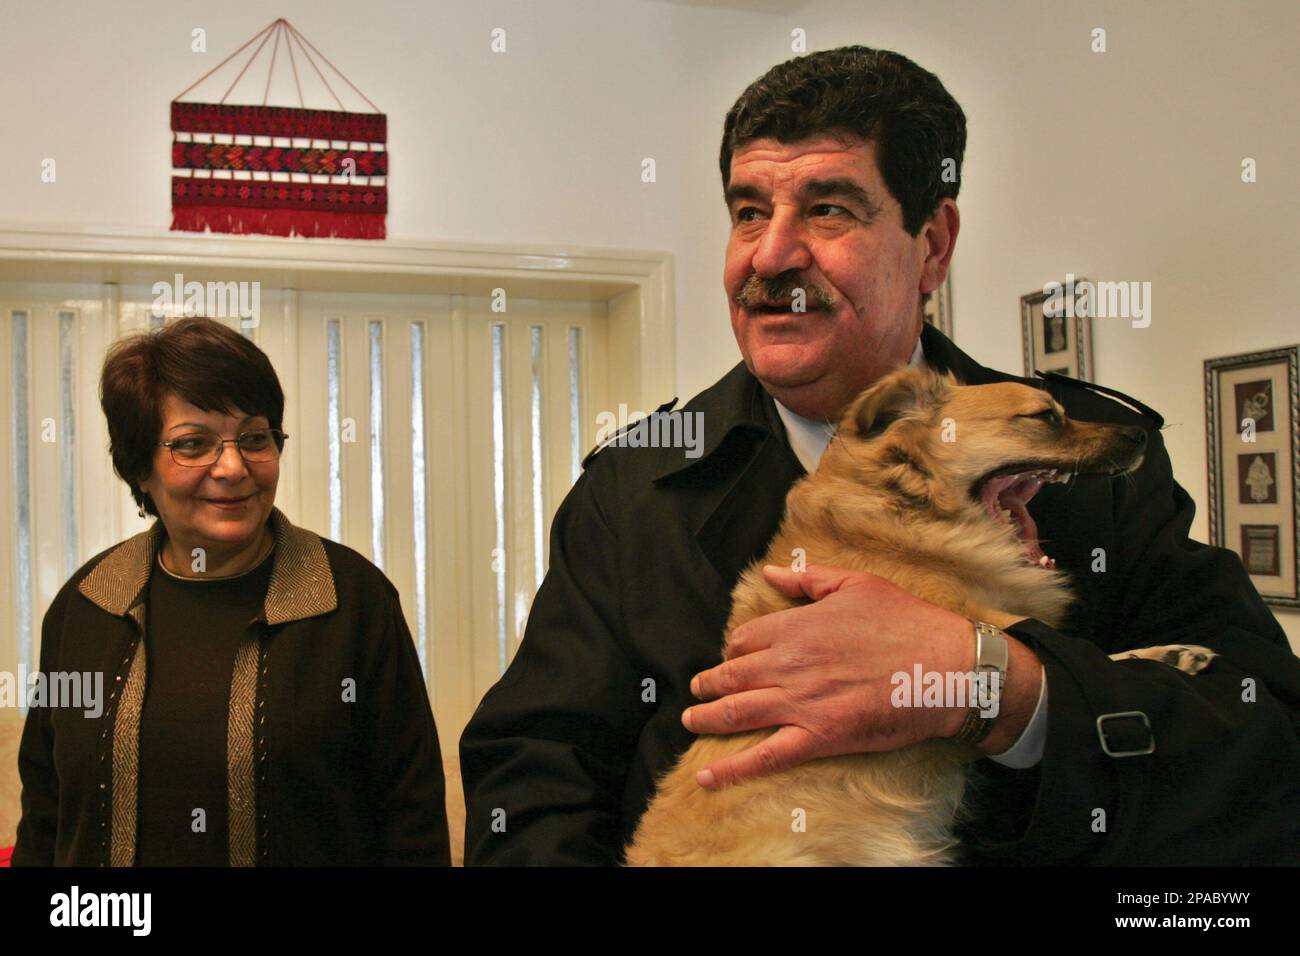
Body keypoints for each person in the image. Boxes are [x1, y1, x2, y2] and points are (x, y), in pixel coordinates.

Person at [460, 46, 1300, 865]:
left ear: (933, 243)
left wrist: (991, 686)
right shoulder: (636, 486)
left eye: (829, 209)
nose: (771, 255)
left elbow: (1264, 743)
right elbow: (534, 777)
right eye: (749, 211)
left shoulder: (1083, 457)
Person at [14, 316, 451, 866]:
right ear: (138, 468)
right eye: (193, 444)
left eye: (253, 438)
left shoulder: (352, 600)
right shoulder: (88, 604)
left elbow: (412, 821)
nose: (232, 467)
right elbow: (46, 818)